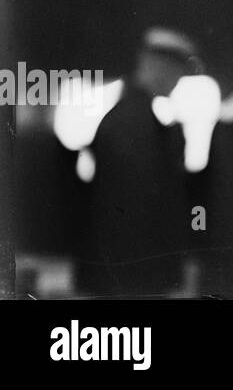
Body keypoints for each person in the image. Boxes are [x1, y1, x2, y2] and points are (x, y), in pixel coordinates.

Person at [83, 27, 201, 297]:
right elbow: (140, 210)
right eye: (177, 73)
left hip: (123, 274)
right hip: (136, 278)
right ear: (159, 67)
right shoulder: (139, 123)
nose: (178, 81)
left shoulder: (130, 115)